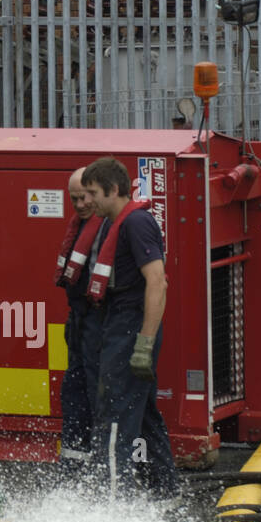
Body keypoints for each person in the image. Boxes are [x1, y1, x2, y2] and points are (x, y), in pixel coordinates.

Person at [80, 155, 180, 500]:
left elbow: (157, 282)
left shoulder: (136, 223)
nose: (87, 200)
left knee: (114, 414)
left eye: (92, 193)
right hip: (118, 323)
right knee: (144, 414)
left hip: (130, 327)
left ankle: (110, 505)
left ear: (113, 190)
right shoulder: (113, 222)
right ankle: (166, 495)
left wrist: (144, 343)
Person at [55, 167, 103, 476]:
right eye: (74, 199)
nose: (80, 205)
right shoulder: (84, 227)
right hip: (80, 327)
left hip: (99, 329)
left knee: (97, 399)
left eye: (84, 197)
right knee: (74, 396)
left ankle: (92, 471)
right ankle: (73, 471)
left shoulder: (110, 229)